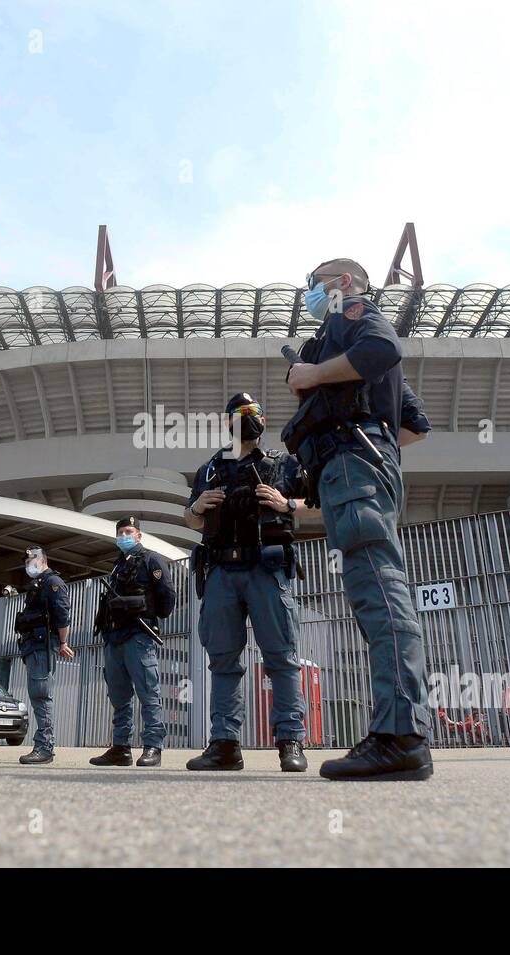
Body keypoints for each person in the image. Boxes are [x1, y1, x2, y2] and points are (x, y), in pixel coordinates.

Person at [285, 258, 434, 781]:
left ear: (342, 282)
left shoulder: (351, 314)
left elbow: (384, 348)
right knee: (375, 584)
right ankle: (398, 731)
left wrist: (315, 377)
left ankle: (400, 735)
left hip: (355, 464)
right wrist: (376, 446)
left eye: (313, 282)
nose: (309, 292)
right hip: (362, 463)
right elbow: (414, 425)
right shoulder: (345, 343)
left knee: (376, 583)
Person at [183, 392, 311, 772]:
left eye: (254, 412)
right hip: (221, 571)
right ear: (226, 422)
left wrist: (286, 503)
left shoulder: (283, 463)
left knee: (282, 658)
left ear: (263, 420)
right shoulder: (208, 469)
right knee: (222, 661)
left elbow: (318, 502)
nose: (248, 417)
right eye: (240, 413)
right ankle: (225, 744)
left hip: (265, 569)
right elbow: (191, 521)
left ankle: (290, 741)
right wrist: (195, 508)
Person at [89, 516, 176, 768]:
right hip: (114, 637)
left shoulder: (151, 560)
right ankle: (120, 748)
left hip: (138, 635)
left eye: (129, 531)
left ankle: (152, 746)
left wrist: (147, 613)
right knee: (119, 697)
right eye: (120, 532)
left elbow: (167, 597)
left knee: (149, 693)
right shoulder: (117, 565)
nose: (124, 535)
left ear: (138, 535)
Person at [16, 546, 74, 765]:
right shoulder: (39, 584)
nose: (27, 564)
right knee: (36, 694)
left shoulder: (52, 582)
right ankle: (43, 745)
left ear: (42, 560)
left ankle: (45, 746)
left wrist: (63, 642)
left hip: (42, 646)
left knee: (41, 695)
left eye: (31, 560)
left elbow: (62, 613)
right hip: (33, 646)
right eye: (26, 561)